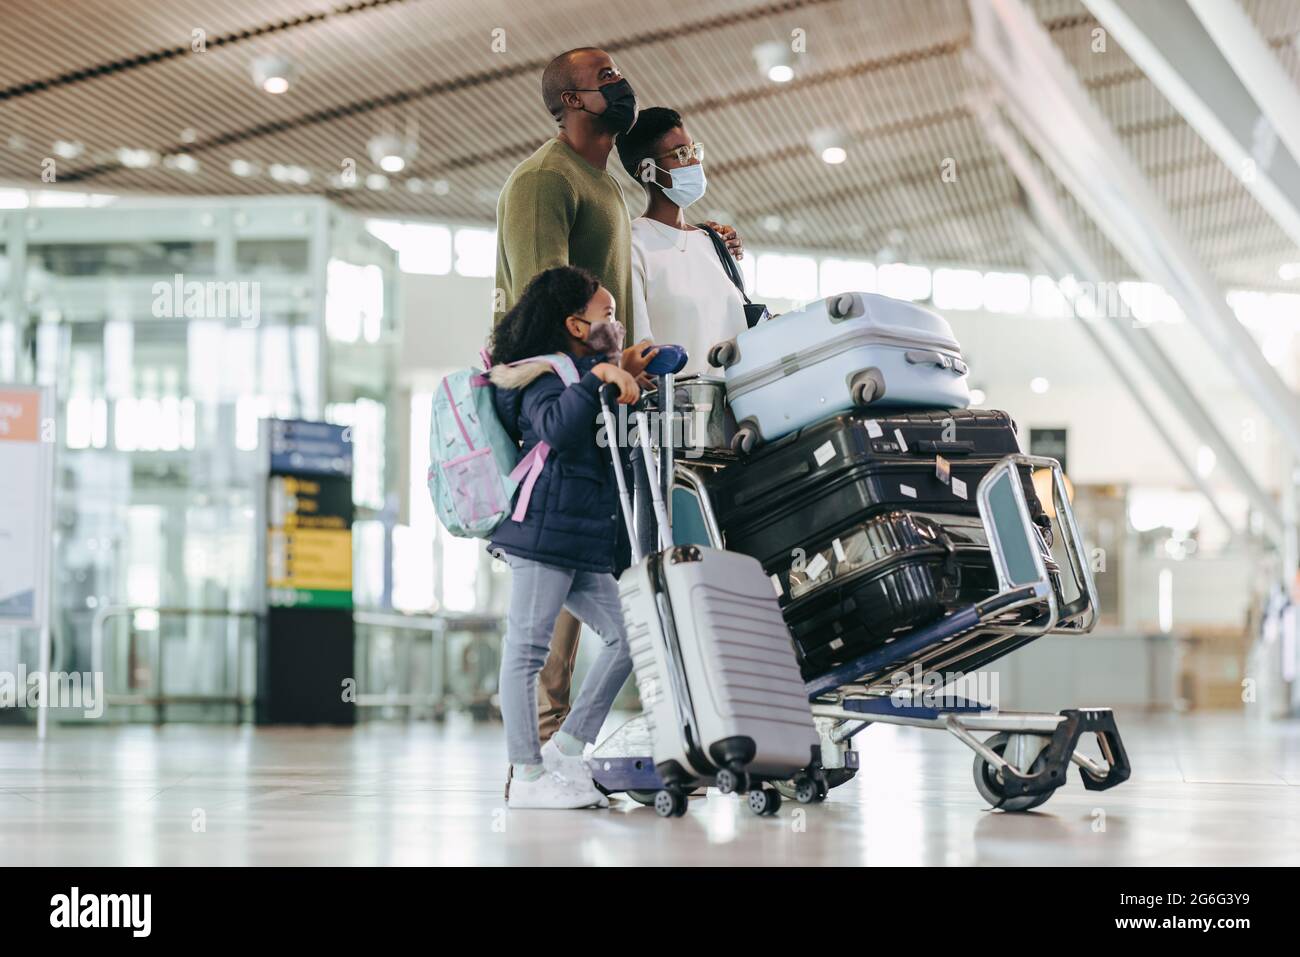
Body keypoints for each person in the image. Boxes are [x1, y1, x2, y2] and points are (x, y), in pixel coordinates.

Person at [493, 48, 742, 760]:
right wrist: (593, 379)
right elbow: (545, 306)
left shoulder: (603, 190)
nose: (618, 82)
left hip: (608, 406)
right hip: (564, 406)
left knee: (605, 583)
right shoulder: (545, 179)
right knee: (548, 607)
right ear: (571, 101)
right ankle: (537, 757)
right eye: (603, 78)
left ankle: (566, 749)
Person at [486, 266, 641, 809]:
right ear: (577, 326)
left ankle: (567, 747)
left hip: (576, 538)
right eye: (609, 315)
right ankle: (527, 778)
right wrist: (602, 375)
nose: (616, 324)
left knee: (630, 636)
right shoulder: (544, 374)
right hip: (541, 533)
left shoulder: (580, 372)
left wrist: (616, 371)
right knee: (526, 652)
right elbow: (555, 428)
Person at [617, 107, 749, 377]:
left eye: (693, 150)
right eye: (680, 154)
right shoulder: (633, 245)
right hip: (679, 406)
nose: (694, 162)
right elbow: (642, 352)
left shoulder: (713, 241)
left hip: (741, 404)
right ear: (647, 170)